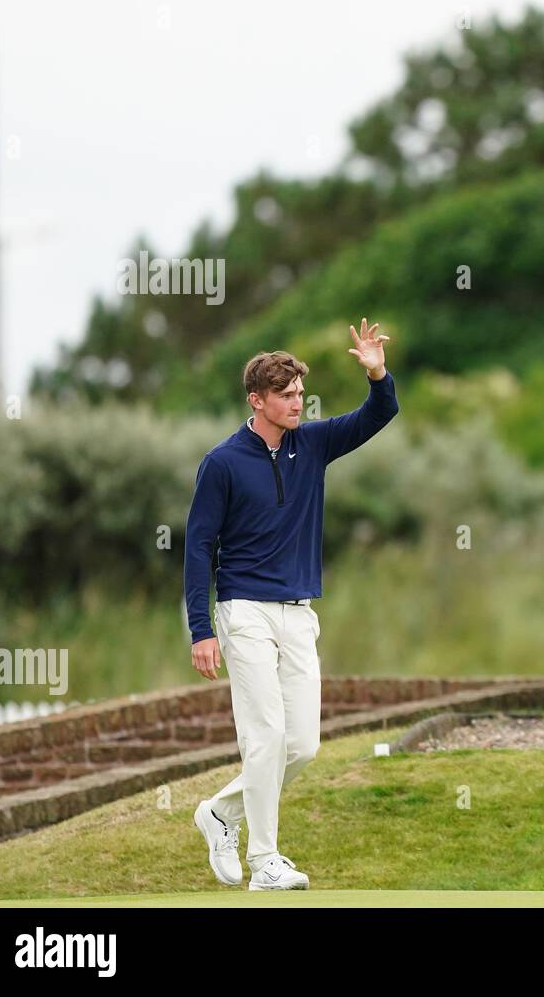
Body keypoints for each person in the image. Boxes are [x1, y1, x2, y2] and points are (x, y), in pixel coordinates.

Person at [183, 318, 399, 890]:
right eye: (285, 396)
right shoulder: (223, 462)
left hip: (300, 613)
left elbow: (378, 415)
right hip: (243, 612)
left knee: (302, 744)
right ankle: (265, 862)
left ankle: (219, 813)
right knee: (266, 737)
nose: (297, 402)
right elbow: (198, 547)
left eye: (300, 393)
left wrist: (377, 373)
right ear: (258, 400)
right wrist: (201, 629)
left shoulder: (314, 444)